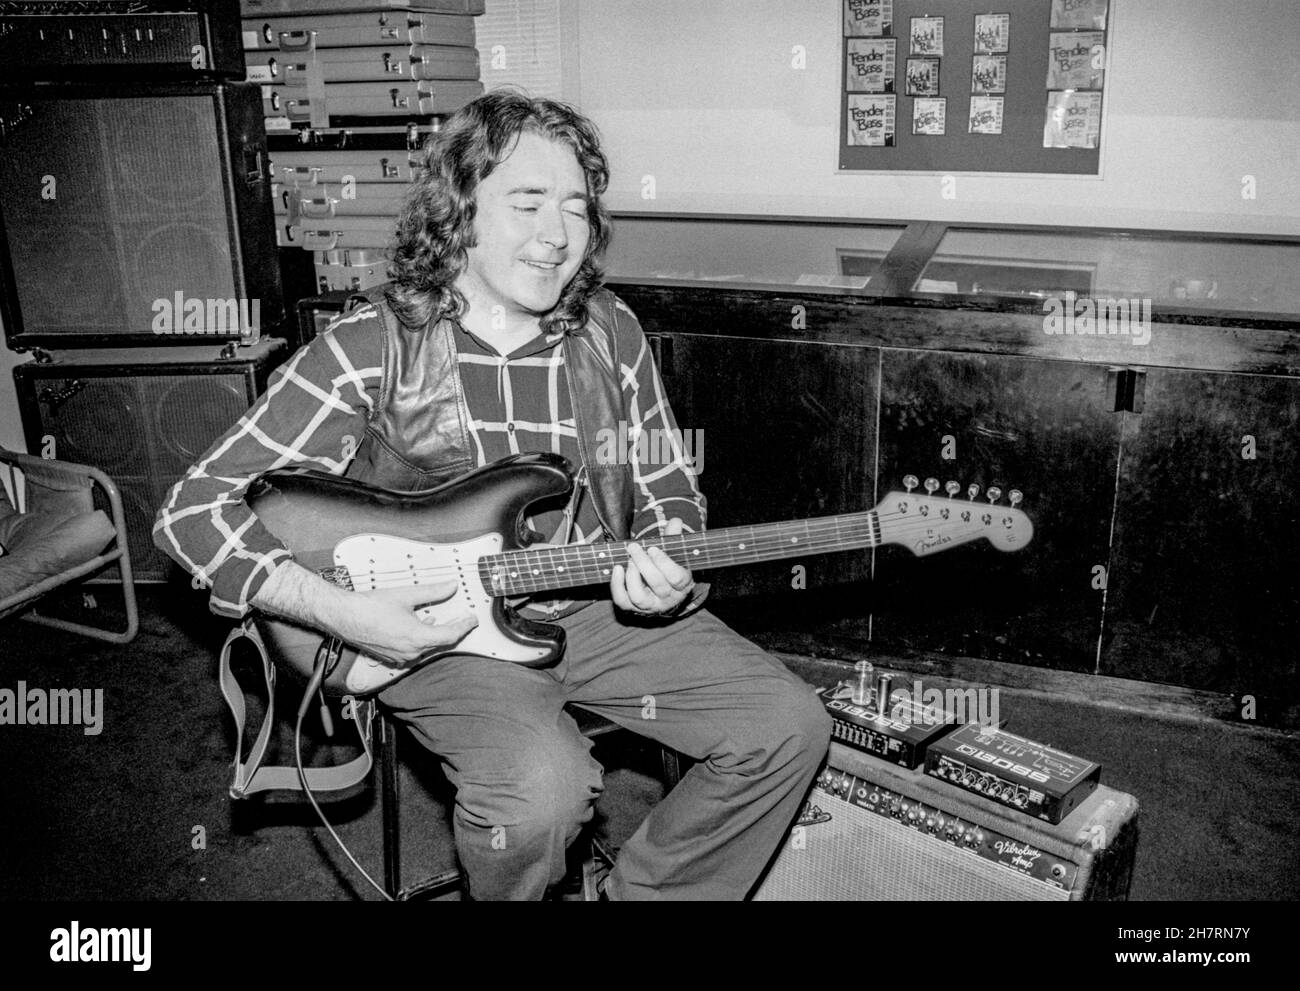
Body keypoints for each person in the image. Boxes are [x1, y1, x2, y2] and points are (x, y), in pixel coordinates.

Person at [154, 90, 831, 900]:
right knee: (540, 794)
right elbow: (191, 511)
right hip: (431, 630)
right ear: (460, 211)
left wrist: (673, 558)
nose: (556, 236)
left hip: (589, 601)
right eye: (527, 203)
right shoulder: (370, 347)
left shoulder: (609, 331)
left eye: (576, 209)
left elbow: (664, 479)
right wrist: (346, 614)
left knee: (787, 725)